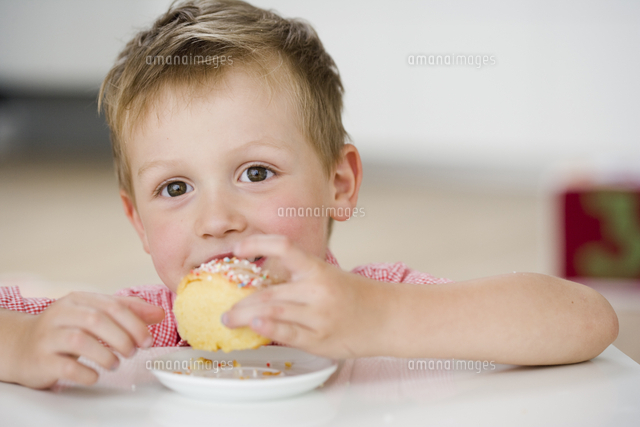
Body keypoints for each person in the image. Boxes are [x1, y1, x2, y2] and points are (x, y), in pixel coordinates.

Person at [0, 0, 618, 390]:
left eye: (256, 173)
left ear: (339, 184)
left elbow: (586, 321)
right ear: (136, 220)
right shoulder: (145, 325)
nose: (216, 220)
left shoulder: (378, 299)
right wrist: (26, 344)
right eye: (176, 187)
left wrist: (381, 319)